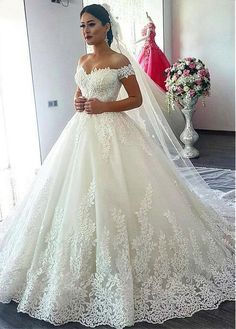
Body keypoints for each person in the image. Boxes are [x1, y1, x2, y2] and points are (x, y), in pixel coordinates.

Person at [0, 4, 234, 329]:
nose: (86, 31)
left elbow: (136, 100)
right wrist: (78, 102)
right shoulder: (82, 60)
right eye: (82, 26)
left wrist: (104, 105)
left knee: (124, 190)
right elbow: (79, 92)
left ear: (106, 26)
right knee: (71, 193)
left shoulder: (119, 61)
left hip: (114, 130)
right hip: (82, 131)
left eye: (92, 24)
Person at [136, 12, 171, 91]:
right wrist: (149, 17)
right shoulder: (152, 24)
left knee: (150, 67)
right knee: (151, 67)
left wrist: (136, 41)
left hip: (149, 48)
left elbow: (147, 36)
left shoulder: (149, 25)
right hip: (150, 47)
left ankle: (152, 88)